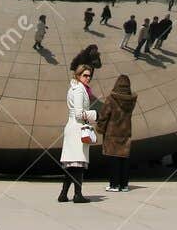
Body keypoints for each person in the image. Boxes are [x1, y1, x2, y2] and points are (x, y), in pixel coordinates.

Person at [58, 64, 97, 203]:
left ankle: (63, 194)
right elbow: (80, 114)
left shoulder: (74, 88)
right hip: (77, 128)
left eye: (89, 75)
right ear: (78, 75)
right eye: (85, 75)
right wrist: (94, 115)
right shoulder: (80, 90)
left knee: (72, 165)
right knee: (78, 164)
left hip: (72, 127)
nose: (88, 78)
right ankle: (77, 195)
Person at [95, 73, 137, 190]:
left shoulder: (111, 99)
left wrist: (100, 128)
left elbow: (104, 115)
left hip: (112, 133)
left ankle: (114, 184)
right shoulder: (131, 101)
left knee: (114, 159)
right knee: (124, 159)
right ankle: (124, 185)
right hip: (125, 132)